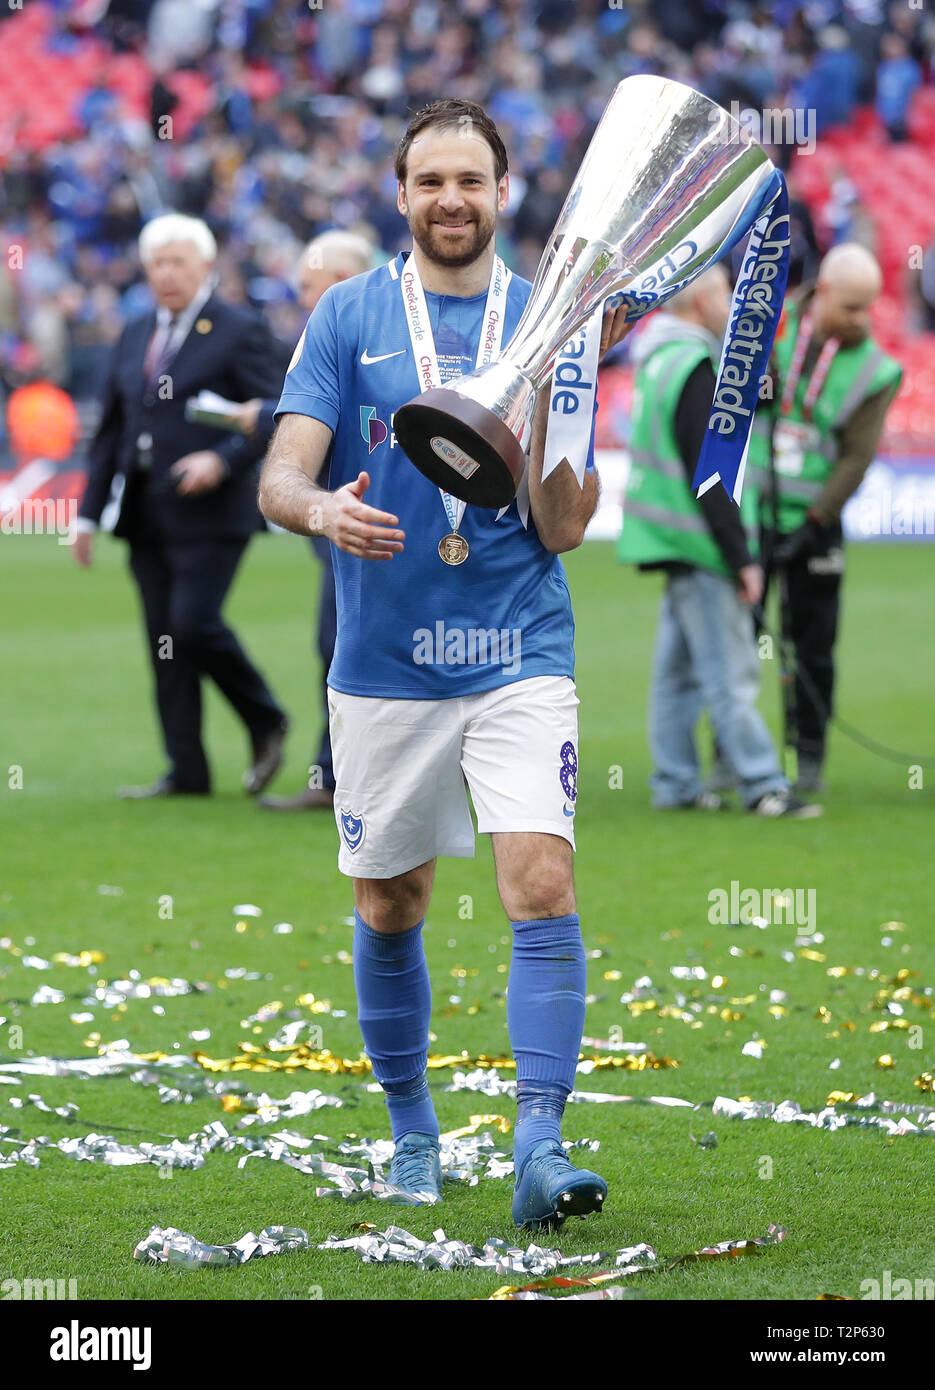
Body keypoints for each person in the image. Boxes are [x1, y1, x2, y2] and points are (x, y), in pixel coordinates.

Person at [258, 98, 631, 1230]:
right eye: (430, 182)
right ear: (401, 190)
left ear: (502, 189)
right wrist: (323, 511)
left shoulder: (551, 313)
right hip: (382, 663)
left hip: (519, 643)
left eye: (470, 180)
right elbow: (279, 477)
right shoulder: (348, 313)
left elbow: (565, 525)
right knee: (389, 903)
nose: (451, 201)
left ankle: (538, 1141)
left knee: (541, 884)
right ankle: (412, 1129)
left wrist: (565, 389)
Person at [72, 213, 289, 799]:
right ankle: (186, 771)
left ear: (204, 267)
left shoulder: (239, 328)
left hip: (214, 512)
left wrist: (220, 459)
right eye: (156, 263)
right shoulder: (135, 329)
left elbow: (275, 411)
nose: (166, 273)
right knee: (163, 642)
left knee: (193, 624)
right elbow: (112, 431)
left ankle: (265, 717)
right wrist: (87, 515)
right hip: (145, 512)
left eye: (177, 262)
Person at [617, 266, 821, 819]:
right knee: (730, 671)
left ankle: (677, 783)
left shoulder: (658, 358)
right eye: (725, 294)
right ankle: (762, 784)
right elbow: (711, 475)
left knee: (677, 672)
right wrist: (742, 558)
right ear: (703, 301)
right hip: (702, 542)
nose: (732, 303)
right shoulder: (697, 366)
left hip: (669, 537)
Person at [749, 243, 902, 793]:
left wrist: (815, 522)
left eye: (870, 309)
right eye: (853, 308)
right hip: (756, 517)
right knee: (741, 642)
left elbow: (857, 457)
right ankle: (736, 758)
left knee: (812, 648)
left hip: (816, 525)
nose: (863, 321)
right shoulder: (771, 323)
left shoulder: (878, 370)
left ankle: (807, 760)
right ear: (826, 293)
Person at [233, 231, 376, 811]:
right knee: (337, 640)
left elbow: (327, 408)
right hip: (337, 514)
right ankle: (337, 775)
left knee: (345, 640)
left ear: (340, 283)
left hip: (367, 515)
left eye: (308, 287)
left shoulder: (367, 338)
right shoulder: (348, 334)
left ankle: (342, 778)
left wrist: (264, 413)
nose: (300, 299)